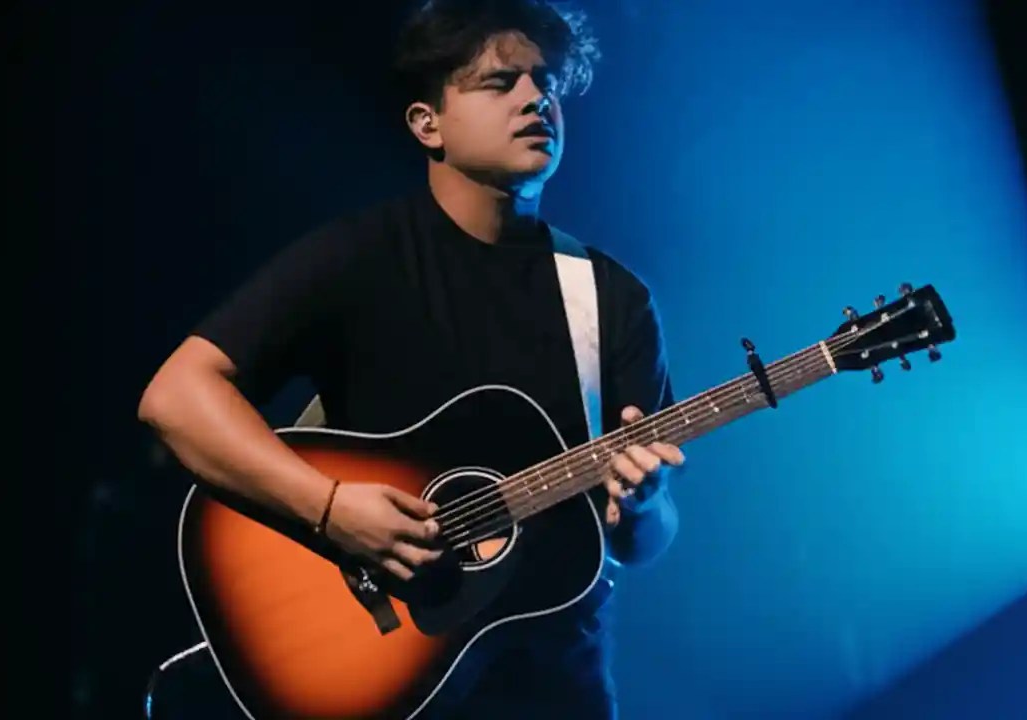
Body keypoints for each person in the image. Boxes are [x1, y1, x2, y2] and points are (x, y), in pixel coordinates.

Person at [137, 1, 685, 717]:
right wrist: (330, 509)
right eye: (500, 83)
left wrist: (642, 507)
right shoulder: (360, 258)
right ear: (428, 123)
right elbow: (175, 398)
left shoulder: (610, 296)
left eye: (546, 82)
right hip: (385, 674)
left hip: (555, 685)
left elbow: (648, 540)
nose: (535, 99)